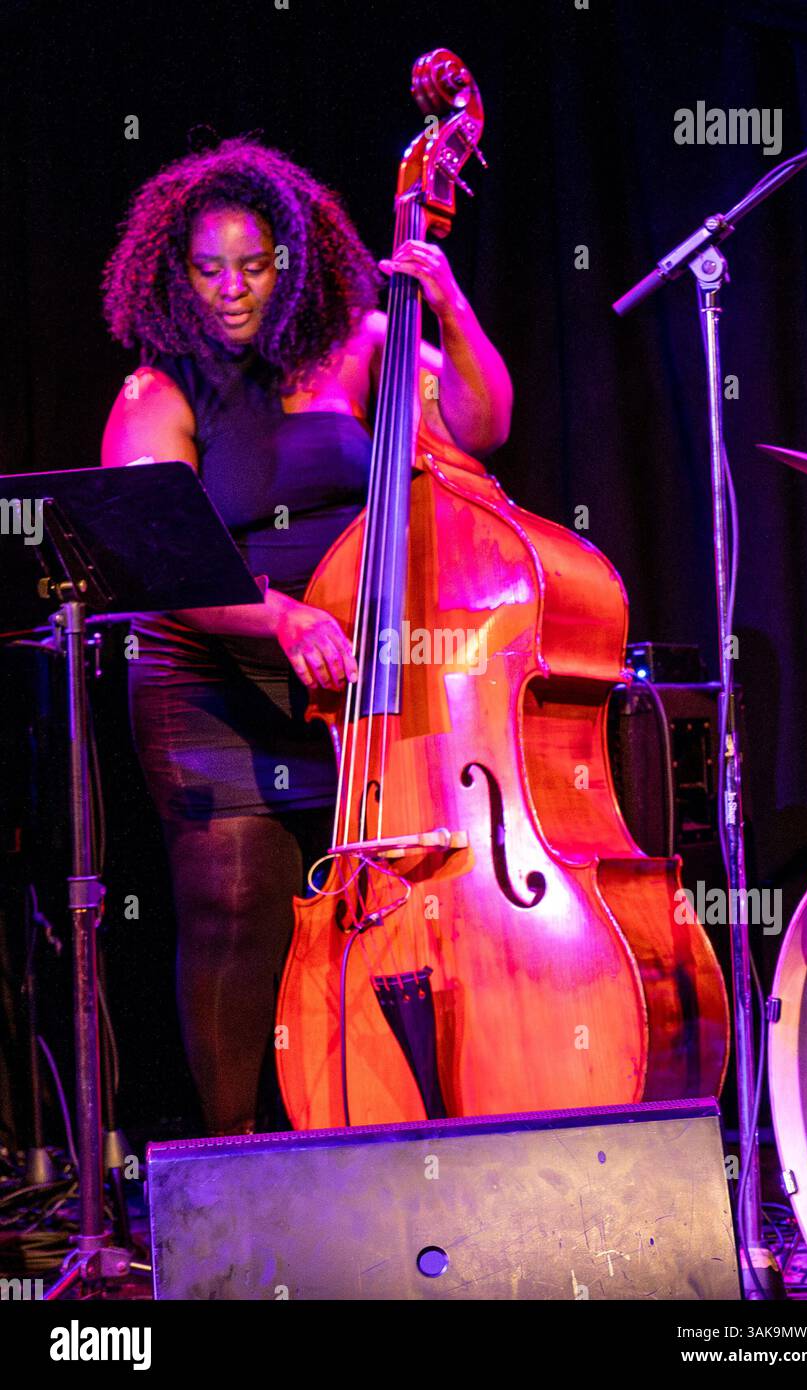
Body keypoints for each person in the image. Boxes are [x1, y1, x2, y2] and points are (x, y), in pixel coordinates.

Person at [100, 134, 512, 1136]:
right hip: (210, 676)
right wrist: (274, 613)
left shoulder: (360, 343)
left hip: (364, 677)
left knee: (394, 901)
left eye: (252, 266)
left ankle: (381, 1136)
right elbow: (159, 557)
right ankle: (236, 1162)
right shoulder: (160, 390)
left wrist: (446, 302)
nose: (231, 290)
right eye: (207, 270)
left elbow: (480, 422)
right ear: (174, 273)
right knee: (236, 908)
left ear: (291, 260)